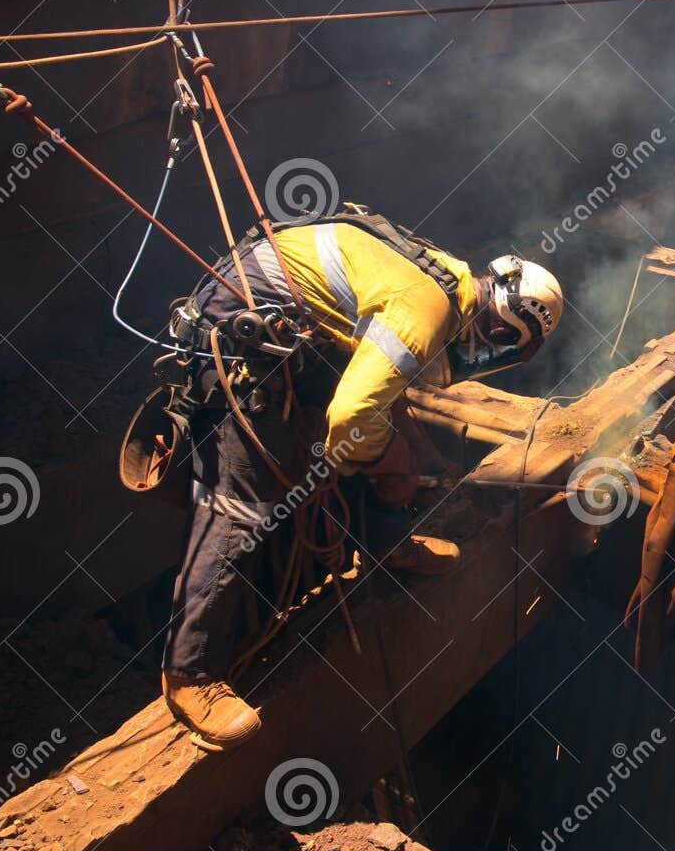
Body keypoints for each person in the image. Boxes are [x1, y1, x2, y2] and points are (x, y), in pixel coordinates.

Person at [157, 206, 562, 750]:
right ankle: (190, 673)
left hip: (295, 329)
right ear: (499, 316)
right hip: (239, 337)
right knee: (241, 507)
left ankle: (386, 543)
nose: (487, 349)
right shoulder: (425, 314)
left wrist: (405, 448)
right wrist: (394, 457)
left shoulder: (447, 280)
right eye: (498, 337)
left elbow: (373, 387)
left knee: (363, 440)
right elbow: (351, 418)